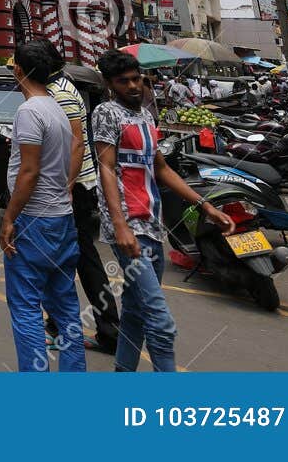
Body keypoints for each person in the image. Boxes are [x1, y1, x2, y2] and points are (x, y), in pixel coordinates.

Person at [93, 49, 234, 373]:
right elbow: (106, 168)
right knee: (161, 321)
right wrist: (120, 225)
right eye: (123, 81)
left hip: (152, 222)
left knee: (135, 311)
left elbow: (160, 167)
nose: (132, 86)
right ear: (110, 84)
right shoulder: (106, 113)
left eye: (136, 79)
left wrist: (205, 205)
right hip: (128, 224)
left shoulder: (144, 114)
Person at [0, 39, 84, 373]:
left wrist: (9, 218)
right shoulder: (56, 108)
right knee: (66, 309)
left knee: (26, 310)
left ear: (18, 70)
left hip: (36, 222)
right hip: (61, 219)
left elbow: (29, 172)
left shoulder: (29, 110)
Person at [37, 43, 120, 355]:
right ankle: (62, 323)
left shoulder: (58, 93)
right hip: (77, 187)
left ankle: (105, 328)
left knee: (79, 260)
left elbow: (76, 145)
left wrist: (65, 187)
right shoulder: (62, 86)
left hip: (76, 189)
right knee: (72, 258)